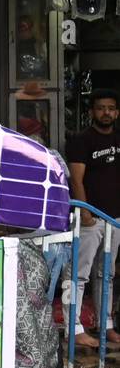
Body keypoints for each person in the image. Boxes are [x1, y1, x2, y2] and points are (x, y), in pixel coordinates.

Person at [63, 90, 120, 349]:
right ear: (91, 112)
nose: (106, 113)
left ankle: (105, 326)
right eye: (100, 108)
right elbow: (76, 178)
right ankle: (74, 329)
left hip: (115, 219)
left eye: (110, 108)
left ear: (116, 112)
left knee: (105, 274)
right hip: (90, 218)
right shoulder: (81, 140)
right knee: (78, 274)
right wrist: (84, 211)